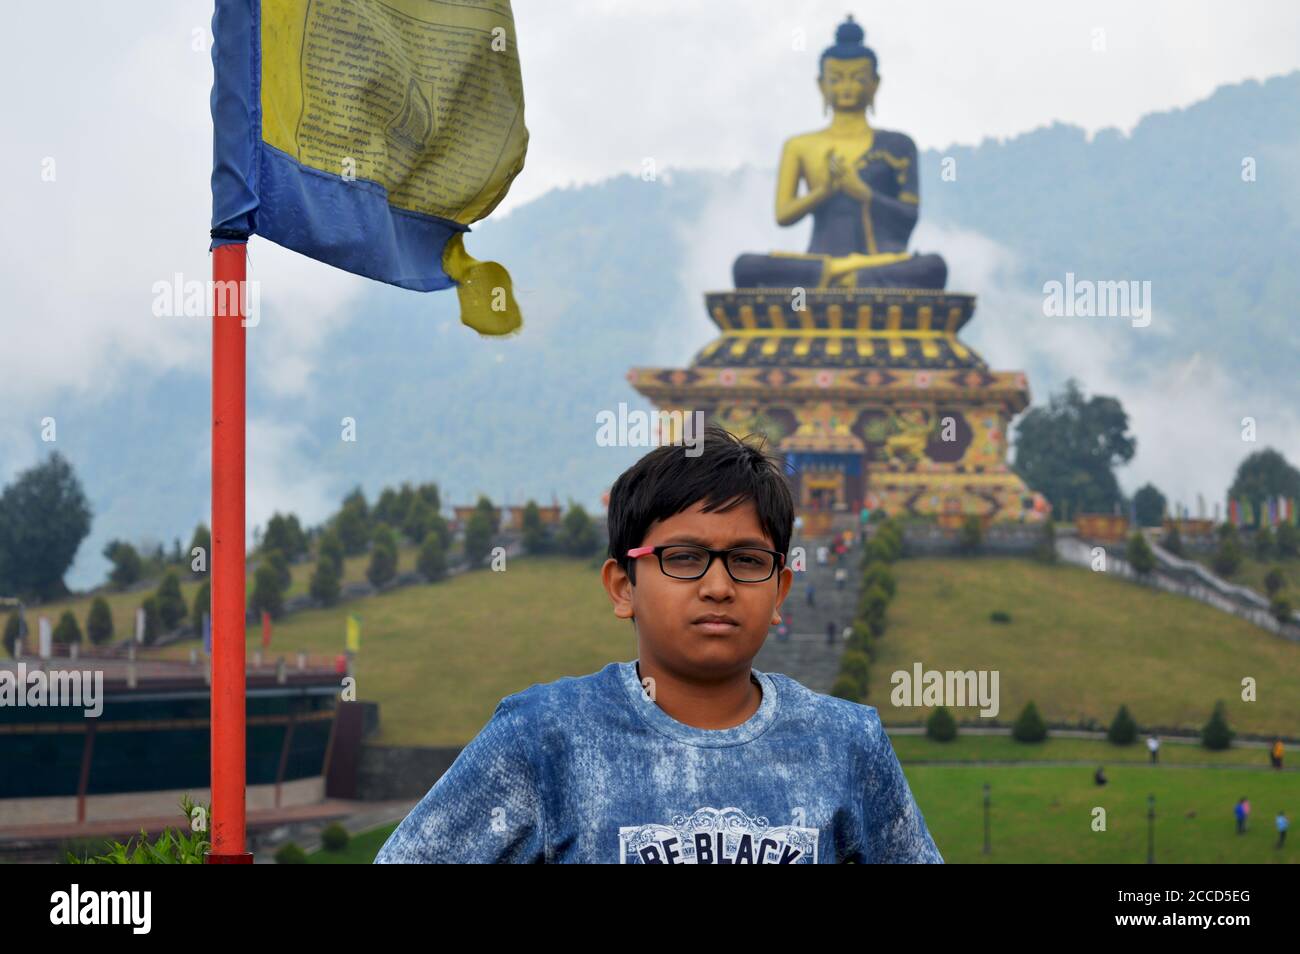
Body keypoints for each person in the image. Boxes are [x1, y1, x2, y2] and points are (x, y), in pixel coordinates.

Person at [375, 423, 942, 863]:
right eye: (685, 558)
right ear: (624, 586)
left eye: (747, 561)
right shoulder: (544, 736)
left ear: (779, 592)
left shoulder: (845, 742)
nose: (718, 587)